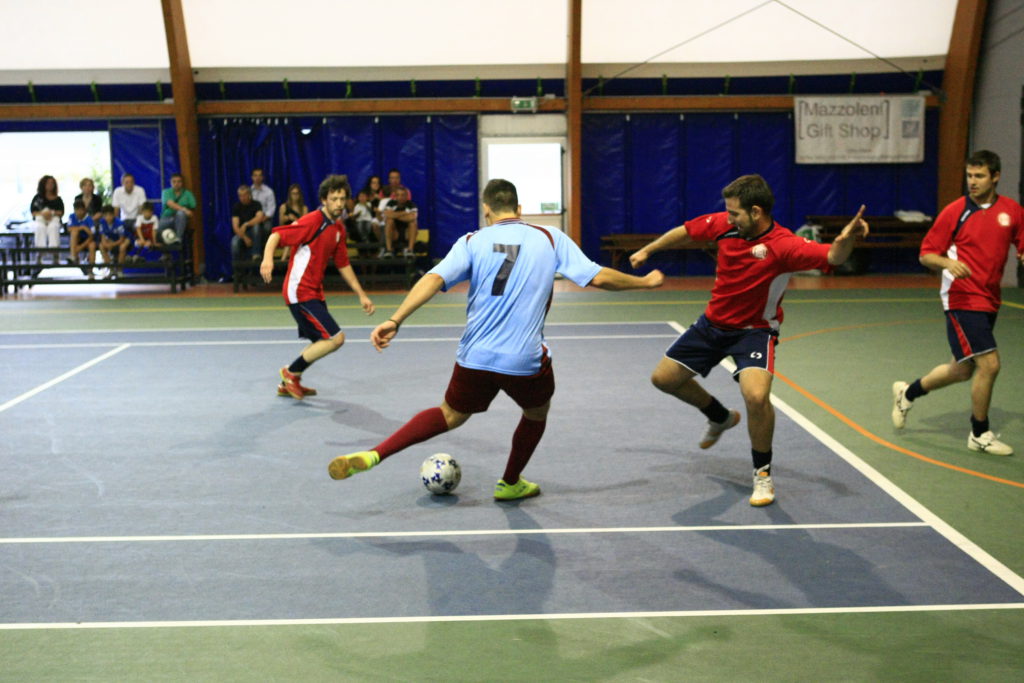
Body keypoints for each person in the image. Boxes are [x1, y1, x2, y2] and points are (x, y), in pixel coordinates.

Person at [328, 178, 665, 500]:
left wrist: (395, 319)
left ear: (486, 209)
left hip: (475, 357)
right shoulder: (550, 237)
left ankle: (376, 454)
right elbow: (598, 277)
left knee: (449, 414)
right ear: (518, 207)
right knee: (536, 411)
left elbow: (433, 279)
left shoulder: (472, 241)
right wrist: (645, 283)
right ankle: (510, 482)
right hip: (524, 360)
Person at [629, 174, 868, 507]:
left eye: (734, 213)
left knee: (756, 397)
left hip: (754, 331)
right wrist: (647, 250)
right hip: (712, 325)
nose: (727, 219)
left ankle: (763, 475)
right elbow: (686, 231)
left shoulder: (784, 245)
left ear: (756, 212)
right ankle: (719, 417)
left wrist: (846, 237)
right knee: (663, 379)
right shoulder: (724, 227)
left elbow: (833, 258)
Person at [892, 150, 1024, 456]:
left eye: (979, 176)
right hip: (961, 297)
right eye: (969, 176)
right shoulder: (955, 211)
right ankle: (979, 433)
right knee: (990, 364)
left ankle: (907, 393)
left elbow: (1021, 243)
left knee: (963, 370)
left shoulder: (1013, 211)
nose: (973, 182)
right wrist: (947, 264)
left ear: (996, 176)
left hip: (990, 298)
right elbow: (926, 254)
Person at [259, 174, 375, 399]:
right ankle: (290, 372)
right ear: (324, 200)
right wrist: (267, 259)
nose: (339, 203)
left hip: (314, 292)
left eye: (342, 199)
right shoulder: (313, 221)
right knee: (335, 338)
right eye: (334, 199)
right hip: (299, 291)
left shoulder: (339, 229)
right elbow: (276, 236)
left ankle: (289, 381)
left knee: (321, 342)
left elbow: (343, 264)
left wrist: (362, 295)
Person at [231, 185, 267, 262]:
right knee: (234, 242)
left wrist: (246, 224)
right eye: (240, 196)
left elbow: (259, 217)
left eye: (244, 195)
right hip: (242, 233)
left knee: (256, 227)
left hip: (256, 232)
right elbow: (235, 227)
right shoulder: (236, 207)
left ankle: (256, 255)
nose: (243, 198)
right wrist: (244, 238)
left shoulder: (256, 204)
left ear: (249, 195)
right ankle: (237, 268)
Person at [381, 186, 418, 257]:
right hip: (395, 233)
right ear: (395, 196)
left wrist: (394, 215)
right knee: (389, 221)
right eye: (398, 195)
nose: (400, 197)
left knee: (413, 223)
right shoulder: (391, 203)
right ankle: (389, 250)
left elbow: (412, 217)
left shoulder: (411, 205)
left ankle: (410, 250)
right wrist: (404, 213)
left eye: (402, 195)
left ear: (406, 196)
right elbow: (387, 215)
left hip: (406, 233)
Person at [159, 173, 196, 241]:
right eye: (174, 181)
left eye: (179, 181)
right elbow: (171, 204)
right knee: (158, 229)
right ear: (170, 182)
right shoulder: (165, 192)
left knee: (180, 214)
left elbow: (193, 206)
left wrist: (187, 212)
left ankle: (178, 239)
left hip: (181, 219)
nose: (176, 184)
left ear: (182, 183)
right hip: (167, 218)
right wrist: (184, 209)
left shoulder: (188, 193)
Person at [96, 204, 132, 275]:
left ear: (113, 215)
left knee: (122, 247)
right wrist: (106, 244)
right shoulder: (102, 222)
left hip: (125, 239)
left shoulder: (119, 223)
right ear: (103, 216)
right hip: (112, 239)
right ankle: (111, 269)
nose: (108, 217)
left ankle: (119, 270)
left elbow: (122, 239)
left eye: (110, 215)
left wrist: (112, 245)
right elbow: (103, 237)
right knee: (101, 246)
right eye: (106, 215)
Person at [66, 199, 97, 272]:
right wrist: (82, 227)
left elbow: (92, 235)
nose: (79, 212)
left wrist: (80, 247)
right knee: (74, 232)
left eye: (81, 210)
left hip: (88, 240)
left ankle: (90, 270)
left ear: (84, 210)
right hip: (77, 240)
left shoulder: (89, 219)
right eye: (77, 210)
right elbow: (69, 228)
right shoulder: (72, 216)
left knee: (92, 246)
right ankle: (73, 256)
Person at [250, 168, 277, 245]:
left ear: (262, 177)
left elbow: (271, 210)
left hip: (265, 219)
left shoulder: (268, 191)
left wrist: (261, 219)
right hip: (251, 219)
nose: (257, 178)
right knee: (255, 228)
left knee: (267, 228)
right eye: (255, 175)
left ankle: (265, 250)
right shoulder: (248, 191)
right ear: (252, 177)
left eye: (259, 175)